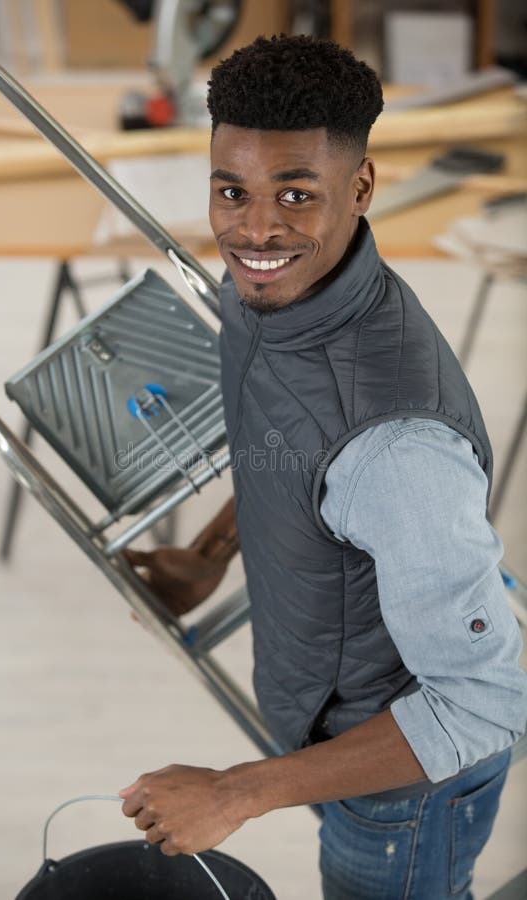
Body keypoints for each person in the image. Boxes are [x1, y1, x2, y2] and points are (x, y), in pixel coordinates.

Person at [118, 35, 527, 899]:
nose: (255, 229)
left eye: (296, 195)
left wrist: (236, 793)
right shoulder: (270, 290)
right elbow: (287, 438)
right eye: (232, 191)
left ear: (362, 186)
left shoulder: (401, 449)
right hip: (331, 727)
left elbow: (484, 702)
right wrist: (213, 552)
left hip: (405, 795)